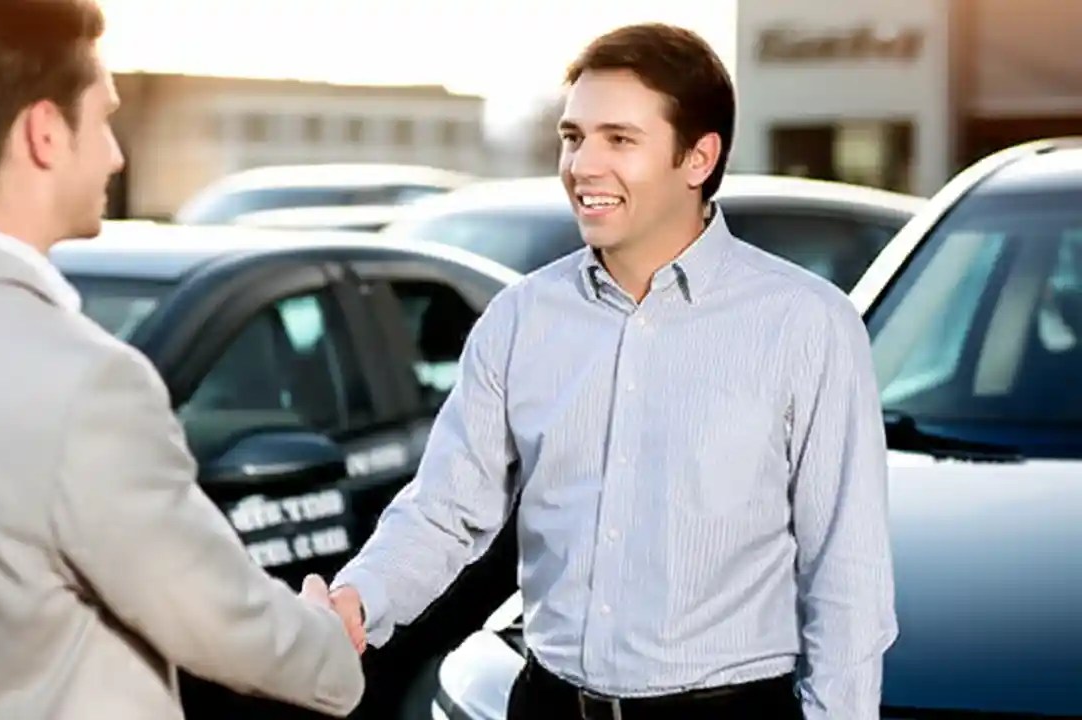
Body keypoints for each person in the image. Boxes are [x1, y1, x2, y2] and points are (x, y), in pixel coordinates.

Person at [0, 1, 363, 718]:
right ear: (44, 133)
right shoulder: (88, 383)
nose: (115, 154)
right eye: (102, 119)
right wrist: (331, 648)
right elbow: (223, 618)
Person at [328, 22, 897, 720]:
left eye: (619, 140)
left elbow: (846, 573)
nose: (582, 165)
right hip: (545, 704)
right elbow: (444, 512)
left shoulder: (806, 326)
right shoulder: (520, 320)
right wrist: (355, 601)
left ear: (698, 157)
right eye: (573, 137)